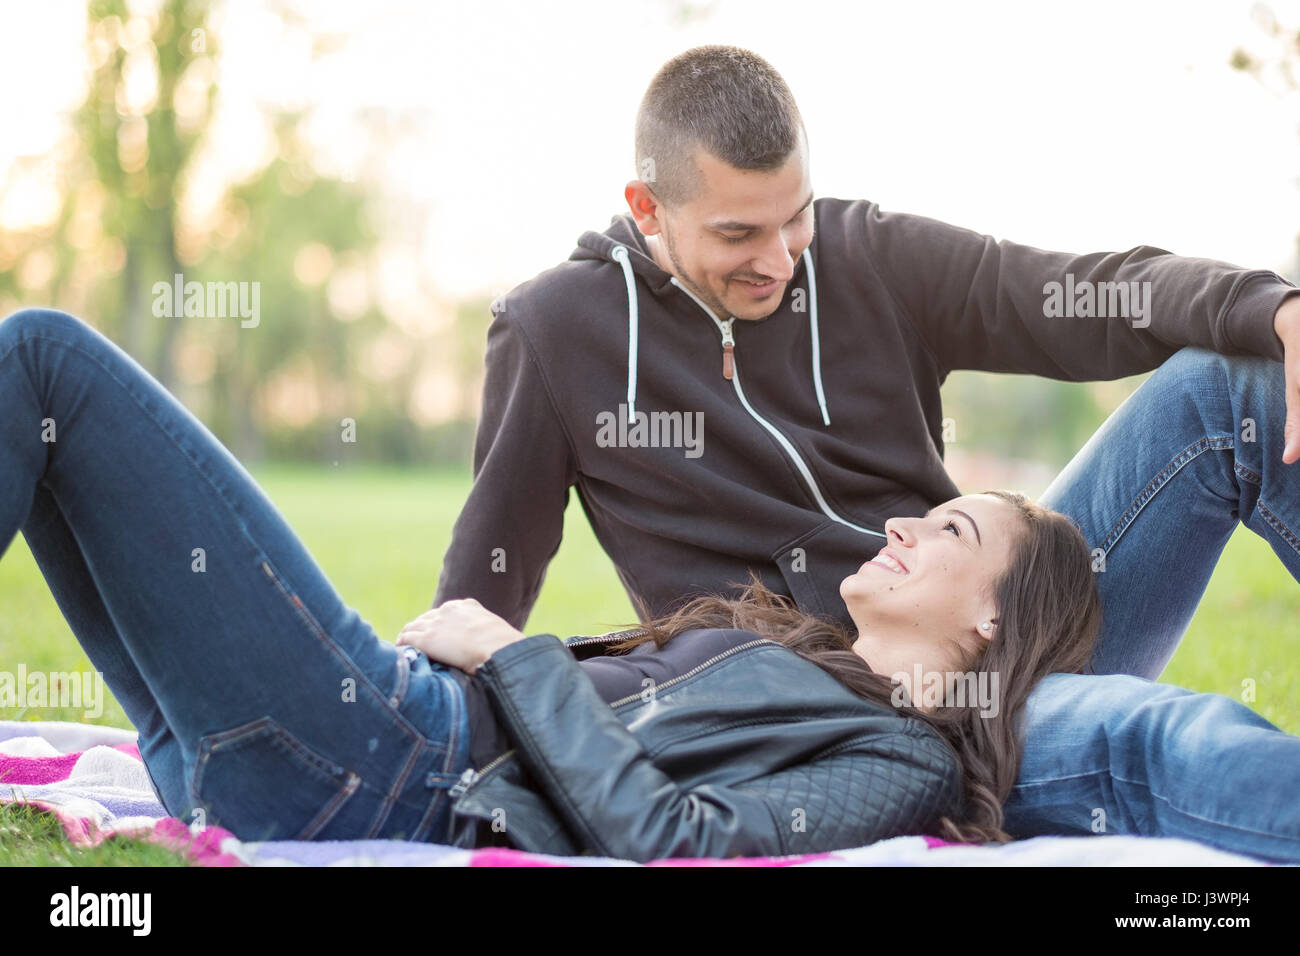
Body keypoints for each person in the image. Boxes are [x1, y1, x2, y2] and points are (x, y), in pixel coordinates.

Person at [433, 45, 1300, 862]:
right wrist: (441, 721)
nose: (779, 260)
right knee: (1146, 740)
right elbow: (486, 579)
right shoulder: (555, 330)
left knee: (1233, 386)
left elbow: (1078, 294)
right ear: (648, 206)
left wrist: (1274, 308)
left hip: (980, 612)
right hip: (841, 721)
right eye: (740, 235)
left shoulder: (868, 255)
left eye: (796, 217)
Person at [0, 306, 1099, 858]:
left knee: (45, 359)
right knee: (53, 430)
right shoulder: (820, 658)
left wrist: (507, 651)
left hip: (392, 761)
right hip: (370, 728)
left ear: (992, 614)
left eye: (949, 525)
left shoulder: (905, 756)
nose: (906, 520)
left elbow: (674, 835)